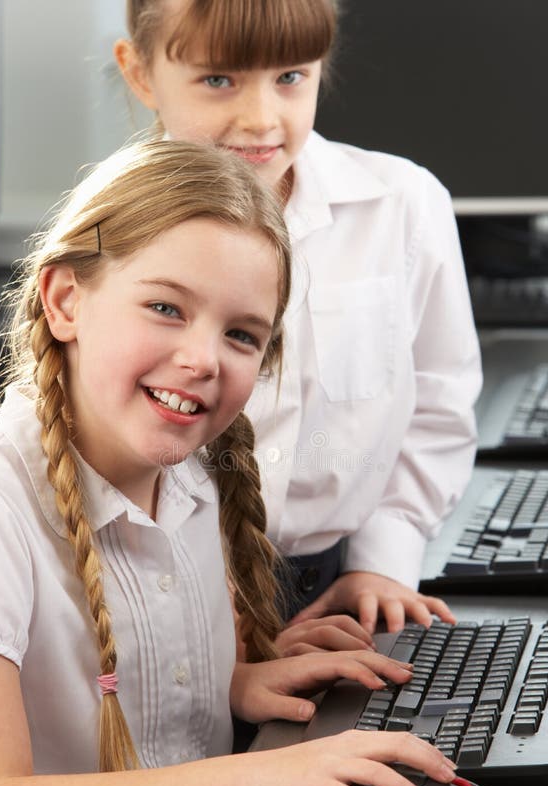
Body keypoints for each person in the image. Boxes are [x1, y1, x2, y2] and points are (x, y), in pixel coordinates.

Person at [0, 139, 457, 786]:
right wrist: (253, 776)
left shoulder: (194, 481)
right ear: (64, 300)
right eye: (166, 308)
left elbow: (118, 689)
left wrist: (232, 687)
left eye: (241, 335)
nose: (203, 358)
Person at [114, 0, 483, 654]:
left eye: (290, 78)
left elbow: (436, 400)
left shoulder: (402, 205)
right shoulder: (110, 228)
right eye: (220, 80)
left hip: (336, 588)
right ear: (140, 73)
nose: (260, 119)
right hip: (162, 608)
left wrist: (384, 559)